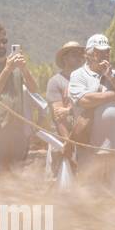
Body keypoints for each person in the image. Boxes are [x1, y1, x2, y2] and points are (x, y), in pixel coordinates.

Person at [66, 34, 115, 192]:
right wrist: (113, 95)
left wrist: (110, 76)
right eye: (99, 52)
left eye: (107, 52)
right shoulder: (78, 75)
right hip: (90, 150)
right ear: (88, 55)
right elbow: (85, 100)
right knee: (90, 196)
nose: (104, 55)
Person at [0, 21, 39, 173]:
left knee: (16, 179)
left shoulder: (15, 65)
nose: (2, 46)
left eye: (4, 41)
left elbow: (34, 89)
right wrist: (7, 70)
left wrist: (24, 69)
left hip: (17, 132)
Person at [46, 40, 85, 174]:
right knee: (59, 182)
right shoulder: (56, 82)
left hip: (82, 141)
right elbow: (58, 116)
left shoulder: (85, 82)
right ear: (65, 58)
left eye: (80, 54)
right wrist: (67, 143)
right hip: (61, 142)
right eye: (74, 54)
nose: (79, 57)